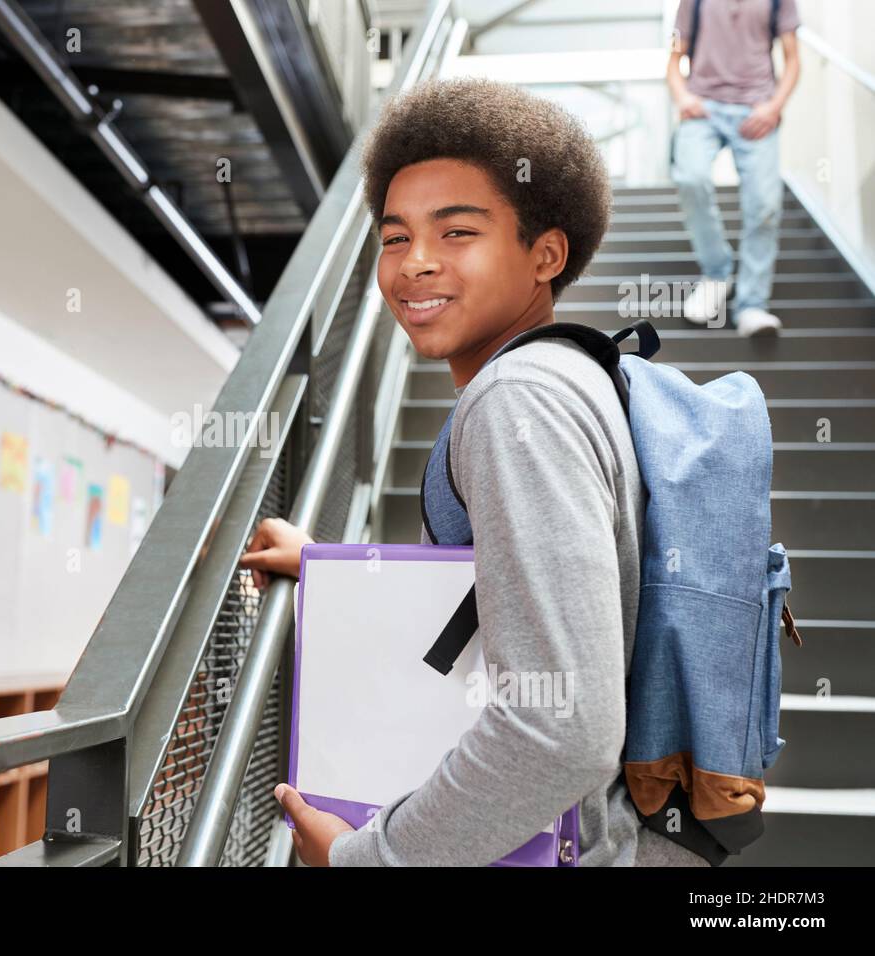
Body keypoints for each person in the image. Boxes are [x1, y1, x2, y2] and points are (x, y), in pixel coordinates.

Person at [242, 77, 707, 866]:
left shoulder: (515, 400)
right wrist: (327, 564)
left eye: (457, 233)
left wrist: (369, 859)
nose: (414, 263)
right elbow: (507, 592)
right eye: (394, 238)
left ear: (544, 254)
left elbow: (562, 731)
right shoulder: (578, 375)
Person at [668, 0, 801, 335]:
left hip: (757, 110)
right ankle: (716, 273)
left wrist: (774, 107)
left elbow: (794, 60)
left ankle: (752, 305)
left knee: (765, 205)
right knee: (690, 177)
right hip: (703, 108)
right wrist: (683, 98)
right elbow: (674, 59)